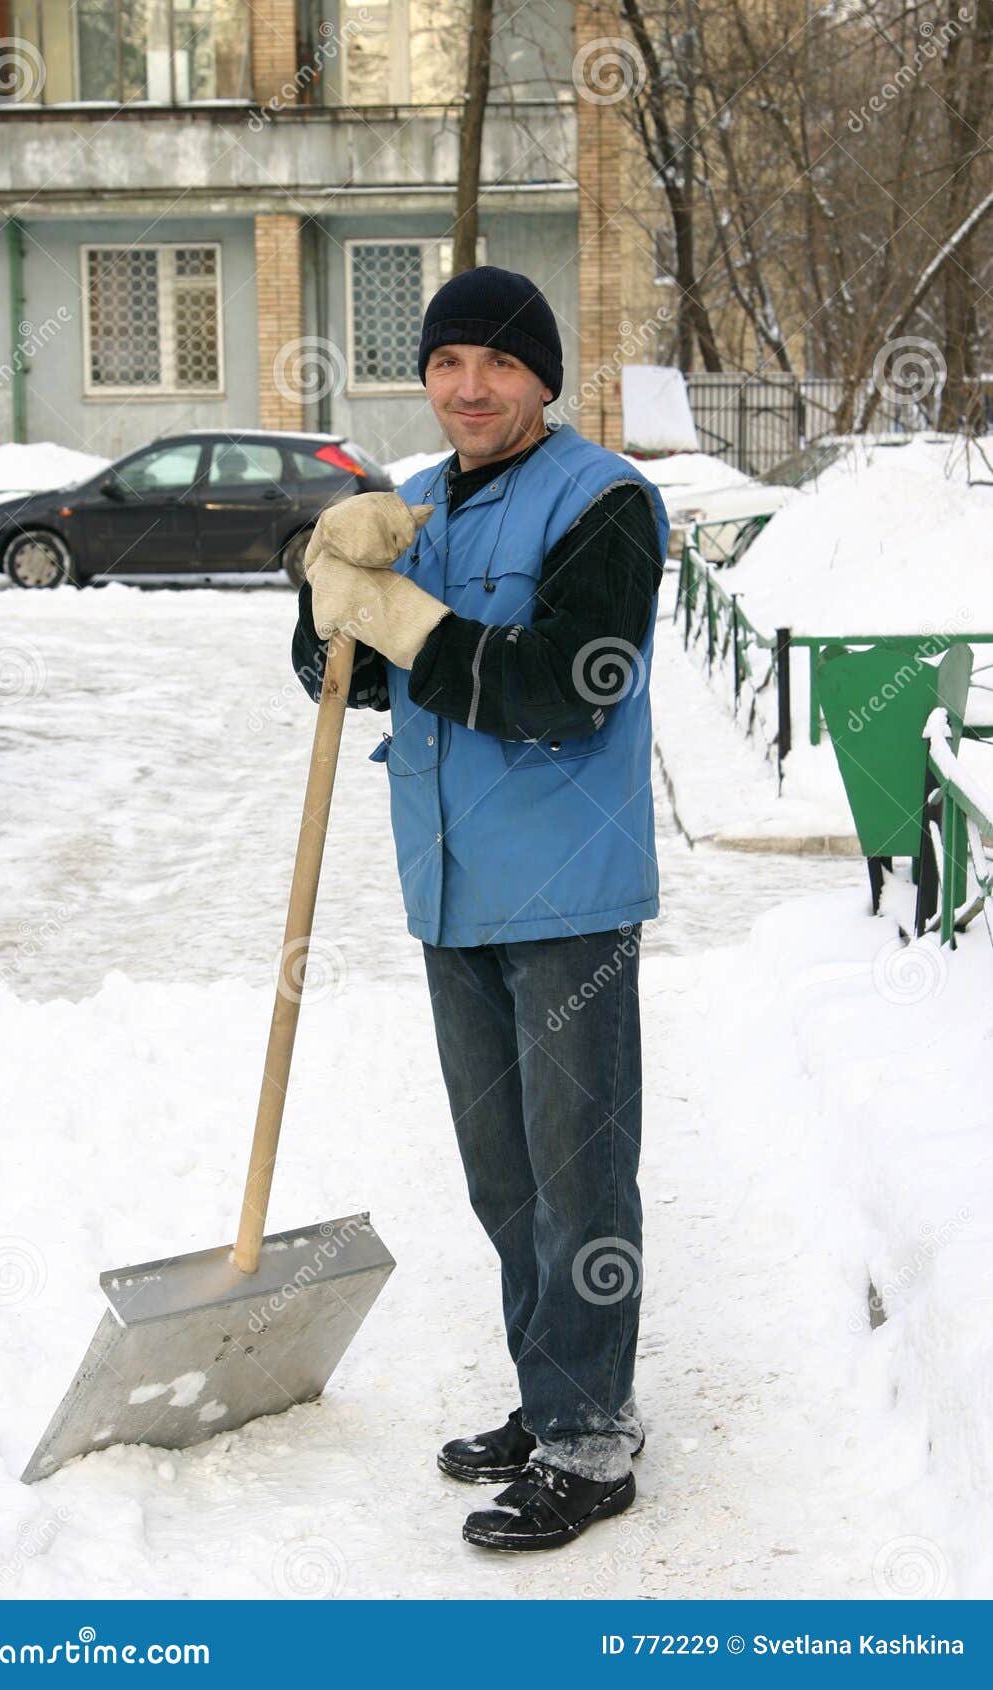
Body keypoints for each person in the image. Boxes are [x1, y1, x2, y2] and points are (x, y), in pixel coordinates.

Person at [292, 266, 667, 1552]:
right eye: (448, 362)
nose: (469, 387)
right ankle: (550, 1391)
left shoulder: (603, 500)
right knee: (503, 1179)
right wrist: (326, 582)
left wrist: (400, 617)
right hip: (449, 889)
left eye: (498, 363)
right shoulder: (411, 503)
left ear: (541, 380)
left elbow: (572, 683)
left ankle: (589, 1437)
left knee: (577, 1180)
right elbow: (340, 677)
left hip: (565, 896)